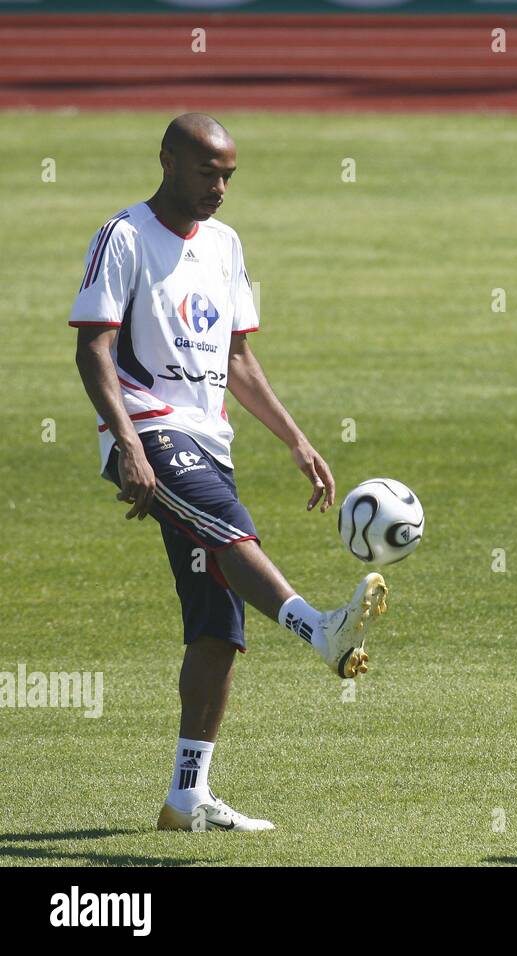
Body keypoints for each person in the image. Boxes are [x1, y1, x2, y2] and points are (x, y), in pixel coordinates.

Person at [70, 113, 389, 833]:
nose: (219, 188)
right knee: (229, 530)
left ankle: (188, 797)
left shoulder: (225, 244)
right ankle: (321, 630)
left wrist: (295, 439)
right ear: (169, 161)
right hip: (150, 431)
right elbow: (94, 349)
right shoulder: (123, 237)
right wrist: (125, 443)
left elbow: (239, 360)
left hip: (209, 439)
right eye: (208, 172)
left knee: (218, 623)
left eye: (229, 177)